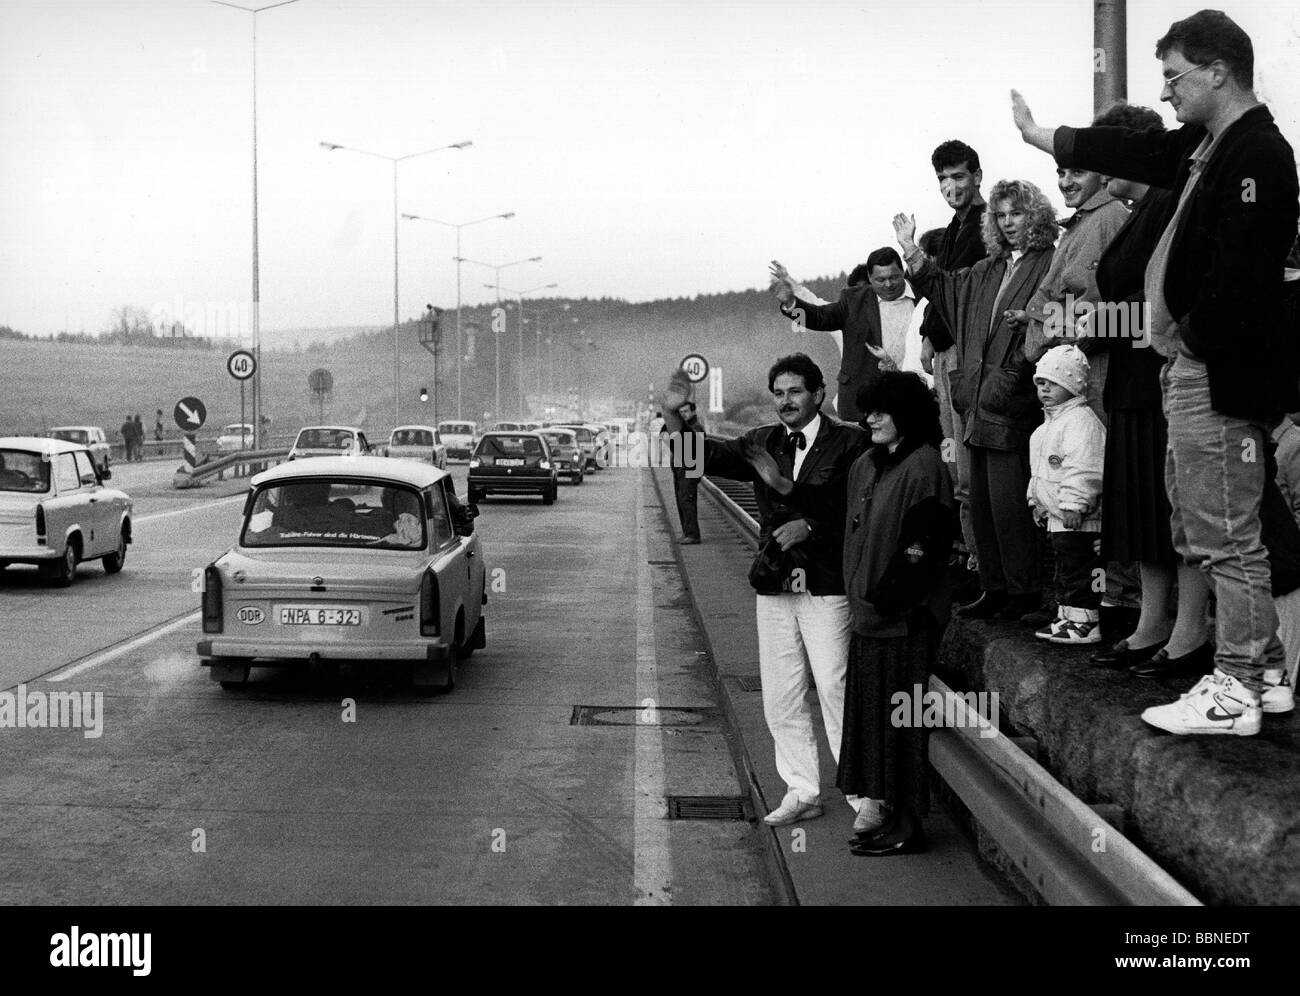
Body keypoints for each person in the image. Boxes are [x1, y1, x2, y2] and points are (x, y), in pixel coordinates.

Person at [1013, 8, 1300, 734]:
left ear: (1217, 71)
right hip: (1197, 369)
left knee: (1224, 529)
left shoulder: (1255, 153)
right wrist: (1045, 135)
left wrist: (1188, 337)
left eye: (1174, 77)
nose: (1167, 92)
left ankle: (1234, 686)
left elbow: (1245, 276)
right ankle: (1263, 670)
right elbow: (1137, 150)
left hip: (1214, 374)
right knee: (1210, 520)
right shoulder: (1210, 149)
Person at [660, 354, 875, 829]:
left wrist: (812, 527)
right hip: (775, 582)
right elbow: (701, 458)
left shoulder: (851, 443)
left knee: (836, 687)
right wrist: (675, 418)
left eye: (795, 391)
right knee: (782, 693)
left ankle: (863, 795)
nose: (785, 401)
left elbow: (862, 511)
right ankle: (802, 790)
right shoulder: (762, 442)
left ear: (818, 394)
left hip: (827, 585)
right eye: (778, 392)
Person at [745, 372, 956, 856]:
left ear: (908, 414)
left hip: (903, 619)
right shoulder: (868, 463)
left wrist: (886, 599)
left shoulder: (924, 466)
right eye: (869, 410)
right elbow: (831, 511)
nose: (872, 418)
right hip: (868, 620)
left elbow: (925, 546)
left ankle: (907, 825)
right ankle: (887, 815)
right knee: (879, 723)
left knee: (901, 726)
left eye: (883, 411)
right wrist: (781, 484)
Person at [1079, 103, 1213, 679]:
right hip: (1132, 382)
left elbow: (1169, 300)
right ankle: (1151, 624)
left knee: (1169, 510)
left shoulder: (1167, 200)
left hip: (1160, 377)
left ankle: (1189, 632)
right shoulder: (1142, 207)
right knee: (1142, 512)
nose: (1100, 170)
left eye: (1109, 154)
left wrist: (1099, 321)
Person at [894, 179, 1058, 622]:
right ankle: (994, 587)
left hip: (1014, 399)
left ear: (1035, 216)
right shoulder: (988, 269)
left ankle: (1023, 592)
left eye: (1017, 214)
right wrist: (911, 250)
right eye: (1001, 216)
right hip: (976, 401)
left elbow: (1060, 313)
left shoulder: (1050, 262)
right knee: (982, 501)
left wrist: (1025, 346)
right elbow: (943, 286)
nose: (1007, 224)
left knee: (1010, 503)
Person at [921, 142, 989, 601]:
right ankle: (968, 554)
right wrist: (929, 334)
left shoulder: (984, 226)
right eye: (943, 180)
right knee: (954, 463)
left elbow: (956, 295)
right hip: (947, 354)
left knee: (967, 465)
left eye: (958, 177)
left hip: (966, 356)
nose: (950, 188)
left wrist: (934, 334)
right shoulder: (952, 228)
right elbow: (939, 295)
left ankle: (980, 565)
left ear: (977, 176)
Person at [770, 249, 920, 420]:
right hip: (867, 404)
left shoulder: (923, 294)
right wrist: (791, 303)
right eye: (880, 280)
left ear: (903, 272)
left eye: (893, 277)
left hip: (917, 396)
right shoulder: (854, 302)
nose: (888, 285)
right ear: (870, 279)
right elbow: (819, 315)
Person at [1026, 345, 1106, 643]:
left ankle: (1086, 620)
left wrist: (1075, 502)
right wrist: (1037, 502)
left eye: (1053, 382)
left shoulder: (1082, 423)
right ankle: (1066, 617)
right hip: (1057, 516)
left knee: (1081, 570)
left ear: (1072, 384)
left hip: (1078, 517)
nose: (1044, 389)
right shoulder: (1046, 428)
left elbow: (1085, 467)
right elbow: (1039, 472)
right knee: (1064, 570)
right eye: (1040, 383)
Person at [672, 401, 704, 544]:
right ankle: (687, 532)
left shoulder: (696, 428)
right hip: (680, 469)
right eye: (681, 412)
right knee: (681, 500)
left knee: (687, 500)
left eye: (685, 411)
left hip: (689, 469)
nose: (683, 414)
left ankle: (692, 534)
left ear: (693, 412)